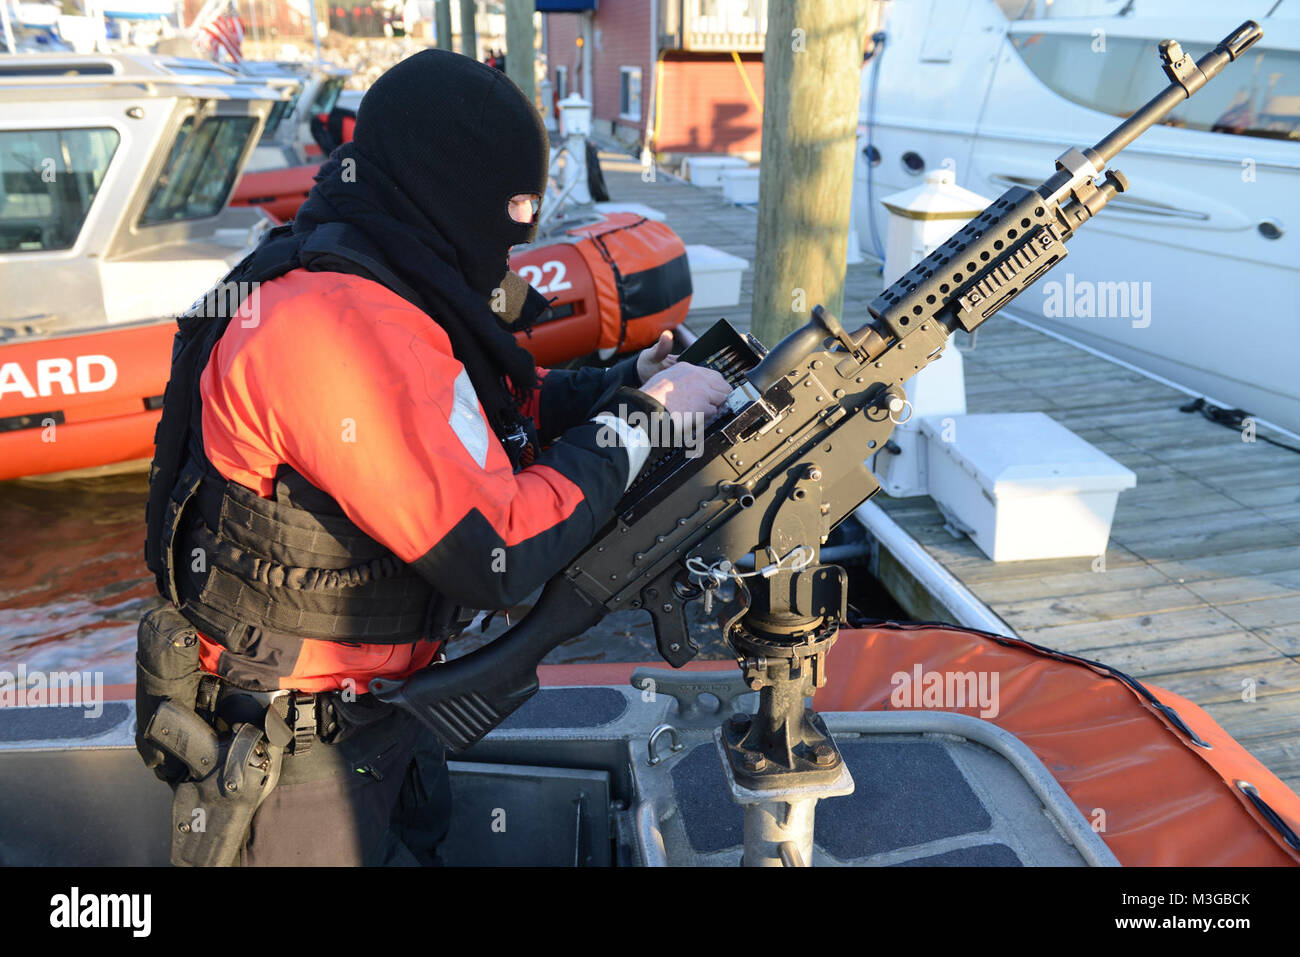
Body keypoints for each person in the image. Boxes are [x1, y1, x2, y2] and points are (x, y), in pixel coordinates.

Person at [135, 49, 729, 866]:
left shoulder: (374, 271)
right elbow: (498, 548)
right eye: (513, 207)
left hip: (372, 717)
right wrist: (643, 423)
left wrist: (625, 381)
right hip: (295, 755)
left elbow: (465, 417)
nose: (517, 235)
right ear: (450, 188)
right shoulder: (330, 331)